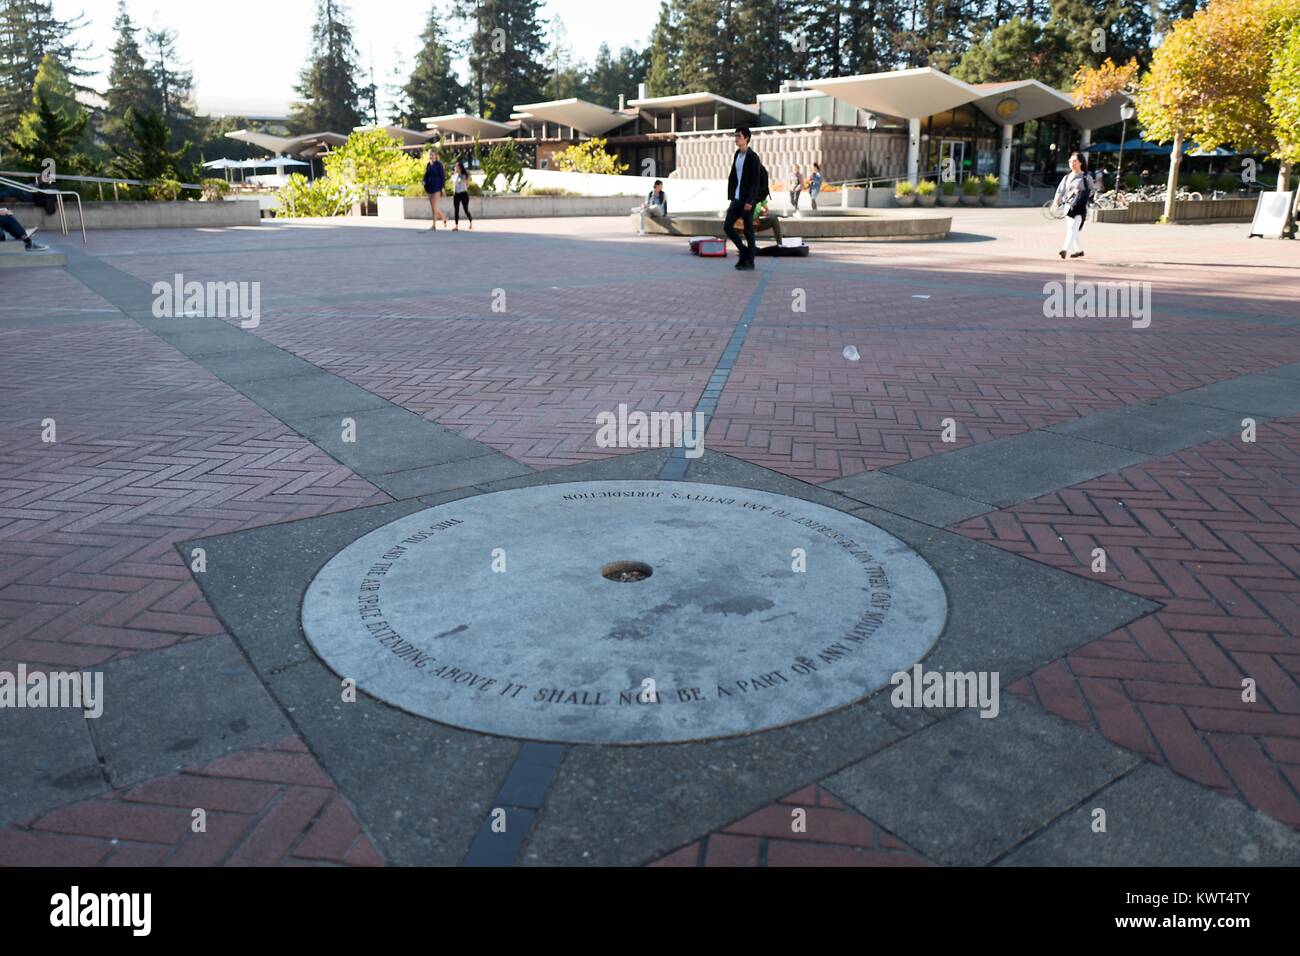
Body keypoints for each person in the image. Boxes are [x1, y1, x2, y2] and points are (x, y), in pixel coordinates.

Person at [724, 126, 762, 271]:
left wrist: (750, 201)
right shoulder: (737, 155)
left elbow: (755, 181)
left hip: (747, 200)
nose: (736, 138)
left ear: (746, 138)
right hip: (737, 198)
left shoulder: (753, 157)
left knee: (748, 231)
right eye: (735, 136)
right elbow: (734, 176)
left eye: (738, 136)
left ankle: (749, 261)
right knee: (727, 226)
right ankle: (743, 250)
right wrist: (732, 196)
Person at [1053, 151, 1093, 259]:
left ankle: (1064, 249)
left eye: (1075, 161)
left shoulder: (1086, 177)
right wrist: (1056, 201)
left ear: (1080, 163)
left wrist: (1080, 192)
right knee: (1073, 229)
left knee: (1072, 228)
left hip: (1080, 207)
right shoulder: (1067, 177)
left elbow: (1092, 191)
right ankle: (1079, 251)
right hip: (1068, 206)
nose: (1072, 163)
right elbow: (1060, 190)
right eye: (1070, 161)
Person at [423, 152, 447, 230]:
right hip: (429, 187)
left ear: (436, 156)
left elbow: (442, 176)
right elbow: (426, 175)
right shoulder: (428, 165)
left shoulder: (439, 164)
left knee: (435, 207)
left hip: (437, 187)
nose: (431, 156)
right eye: (430, 155)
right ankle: (443, 218)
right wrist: (424, 181)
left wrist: (442, 188)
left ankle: (434, 225)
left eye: (433, 155)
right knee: (433, 207)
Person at [452, 161, 473, 231]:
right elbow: (454, 184)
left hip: (463, 193)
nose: (456, 169)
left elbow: (467, 184)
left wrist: (462, 178)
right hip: (456, 194)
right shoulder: (454, 176)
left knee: (466, 209)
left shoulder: (464, 175)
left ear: (461, 168)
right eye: (456, 167)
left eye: (458, 167)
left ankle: (471, 222)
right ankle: (456, 225)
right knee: (456, 210)